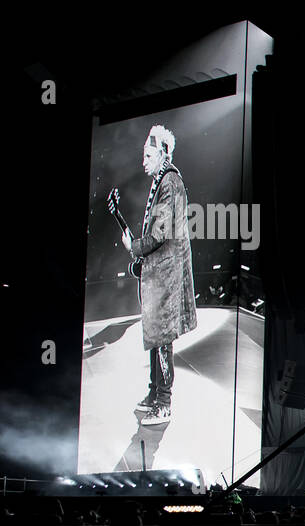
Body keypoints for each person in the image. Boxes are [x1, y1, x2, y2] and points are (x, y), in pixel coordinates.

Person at [118, 124, 197, 426]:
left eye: (148, 154)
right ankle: (155, 393)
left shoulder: (170, 182)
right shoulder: (163, 181)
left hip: (167, 278)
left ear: (162, 152)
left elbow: (161, 232)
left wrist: (135, 248)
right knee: (156, 336)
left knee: (162, 338)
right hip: (160, 274)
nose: (143, 161)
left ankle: (163, 402)